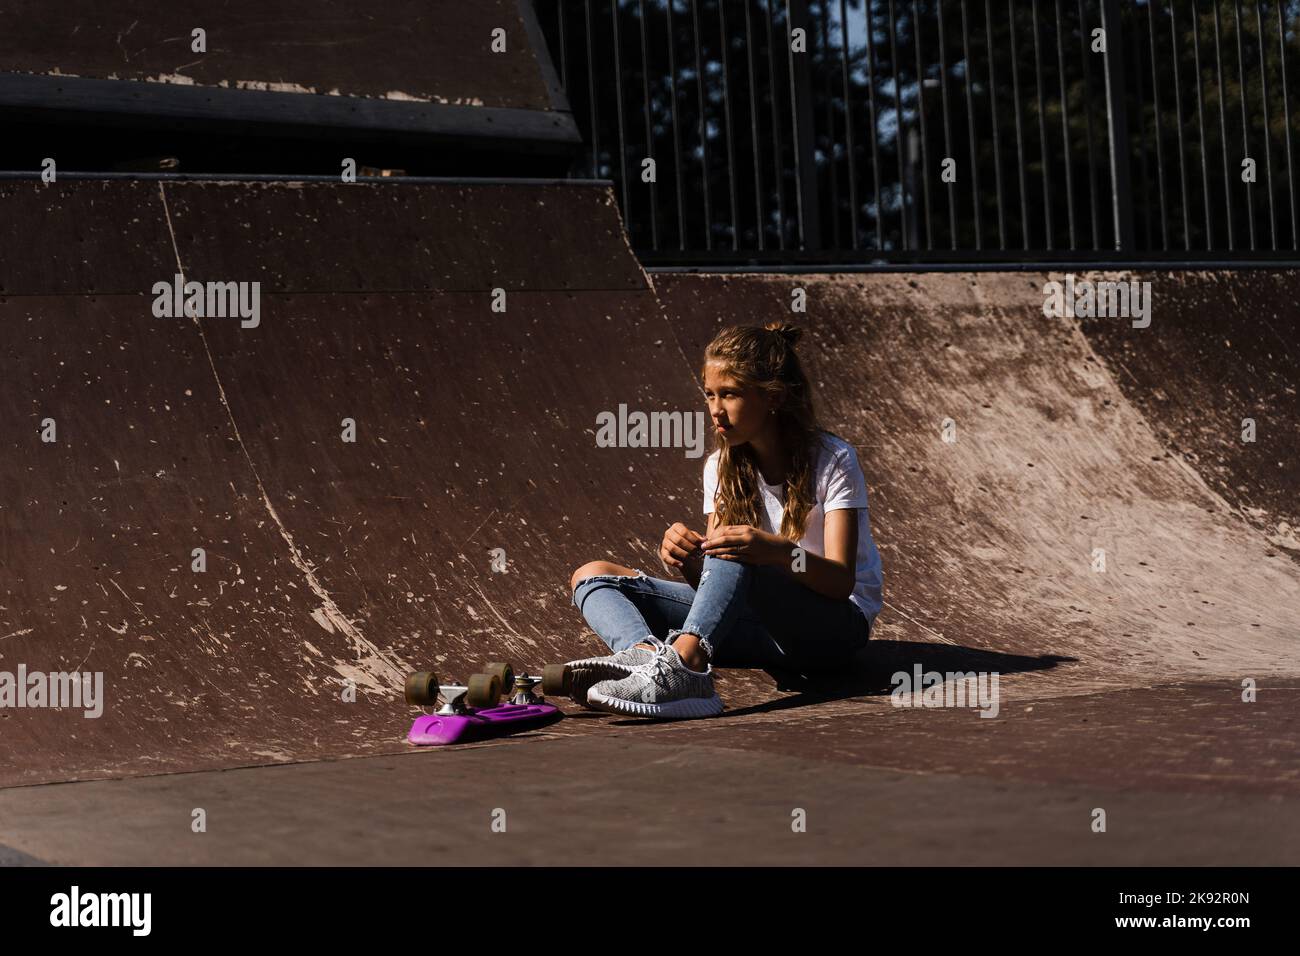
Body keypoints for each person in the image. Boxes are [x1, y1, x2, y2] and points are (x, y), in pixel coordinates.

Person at [566, 322, 883, 720]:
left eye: (730, 394)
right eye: (710, 394)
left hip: (831, 632)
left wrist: (778, 552)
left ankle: (686, 667)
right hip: (759, 630)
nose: (716, 409)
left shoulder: (832, 459)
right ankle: (647, 659)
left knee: (735, 548)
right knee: (594, 575)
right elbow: (717, 591)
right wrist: (688, 557)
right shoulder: (720, 466)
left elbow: (840, 582)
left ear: (773, 397)